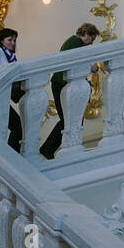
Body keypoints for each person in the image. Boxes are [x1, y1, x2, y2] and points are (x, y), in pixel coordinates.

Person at [40, 22, 101, 160]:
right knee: (68, 119)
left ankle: (50, 148)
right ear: (86, 34)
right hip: (62, 83)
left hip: (60, 83)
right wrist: (91, 68)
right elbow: (76, 62)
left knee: (67, 119)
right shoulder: (76, 42)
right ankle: (48, 148)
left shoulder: (72, 41)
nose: (90, 43)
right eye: (91, 39)